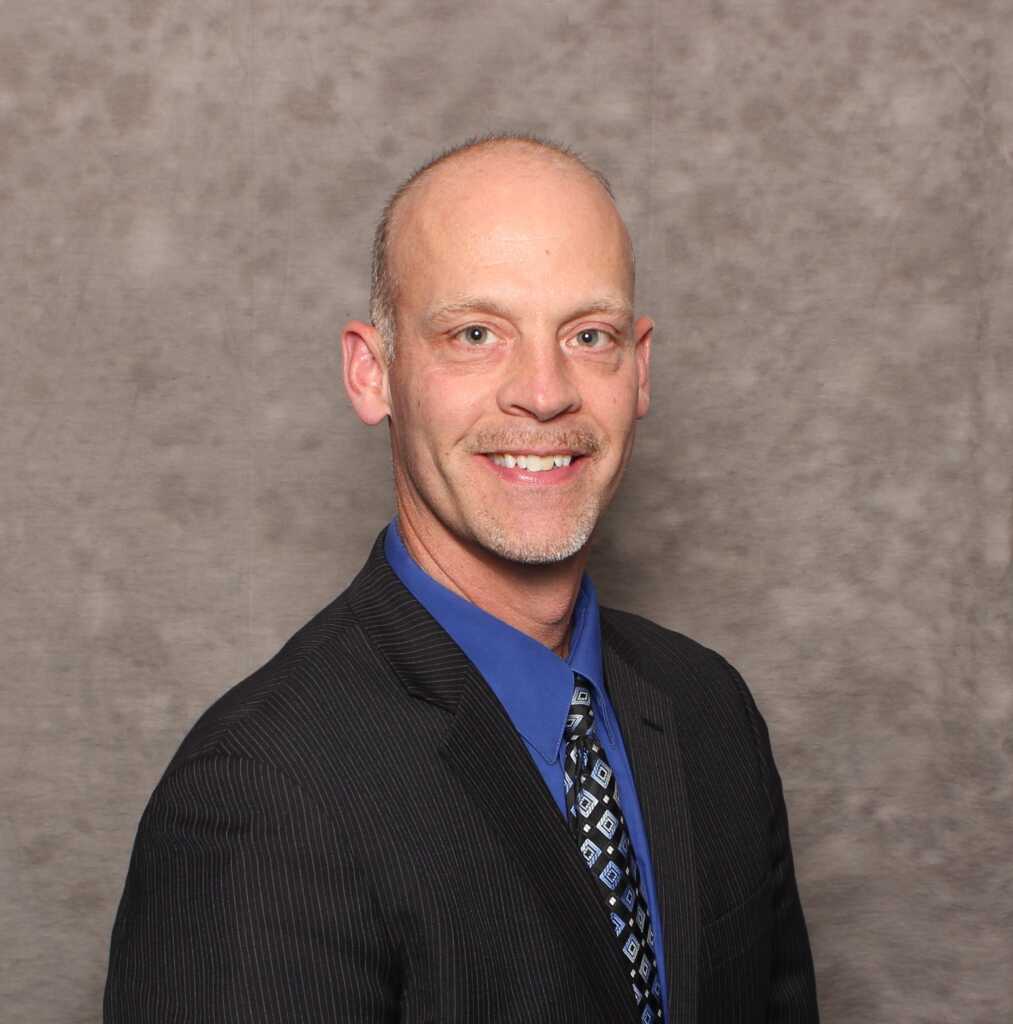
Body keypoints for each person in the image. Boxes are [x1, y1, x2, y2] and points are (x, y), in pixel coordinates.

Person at [104, 134, 819, 1023]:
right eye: (475, 334)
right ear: (372, 373)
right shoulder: (261, 796)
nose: (544, 393)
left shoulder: (709, 708)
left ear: (638, 369)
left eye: (587, 335)